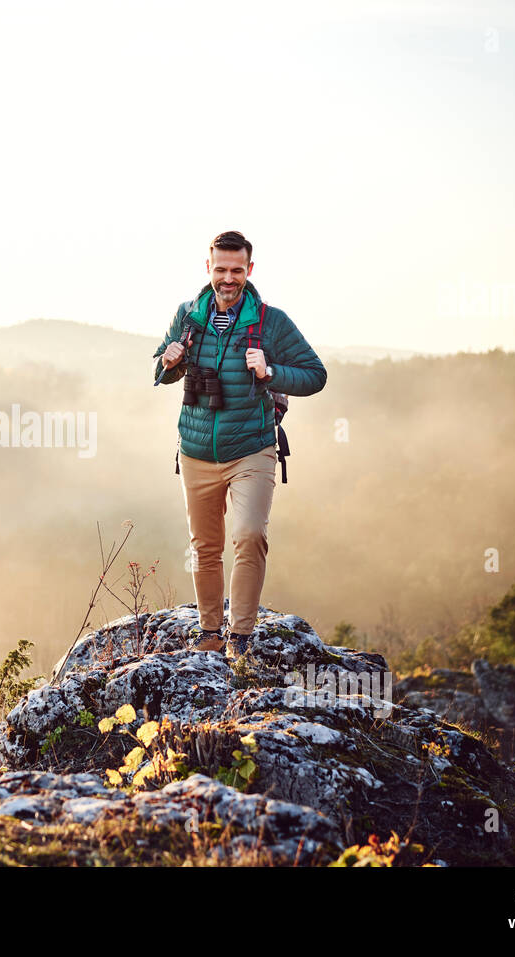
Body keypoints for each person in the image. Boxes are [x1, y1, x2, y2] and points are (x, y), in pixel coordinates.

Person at [152, 230, 327, 659]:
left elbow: (315, 375)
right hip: (195, 450)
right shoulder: (188, 315)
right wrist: (169, 362)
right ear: (208, 268)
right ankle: (210, 632)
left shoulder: (271, 321)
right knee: (204, 547)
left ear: (249, 270)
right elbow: (160, 371)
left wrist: (270, 373)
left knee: (249, 535)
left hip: (252, 447)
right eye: (220, 270)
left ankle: (241, 638)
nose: (228, 279)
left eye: (236, 270)